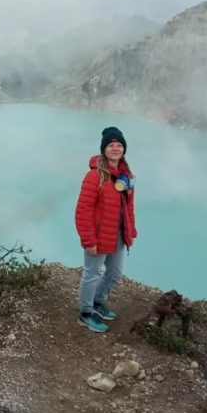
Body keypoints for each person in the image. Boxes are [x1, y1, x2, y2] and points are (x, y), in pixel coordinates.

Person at [74, 126, 137, 333]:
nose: (116, 148)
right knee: (92, 273)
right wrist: (89, 239)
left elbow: (128, 207)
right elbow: (83, 210)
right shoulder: (94, 176)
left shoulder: (126, 176)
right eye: (111, 145)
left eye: (119, 145)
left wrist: (131, 232)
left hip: (118, 234)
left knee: (115, 272)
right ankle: (85, 313)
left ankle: (97, 302)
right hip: (99, 236)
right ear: (104, 149)